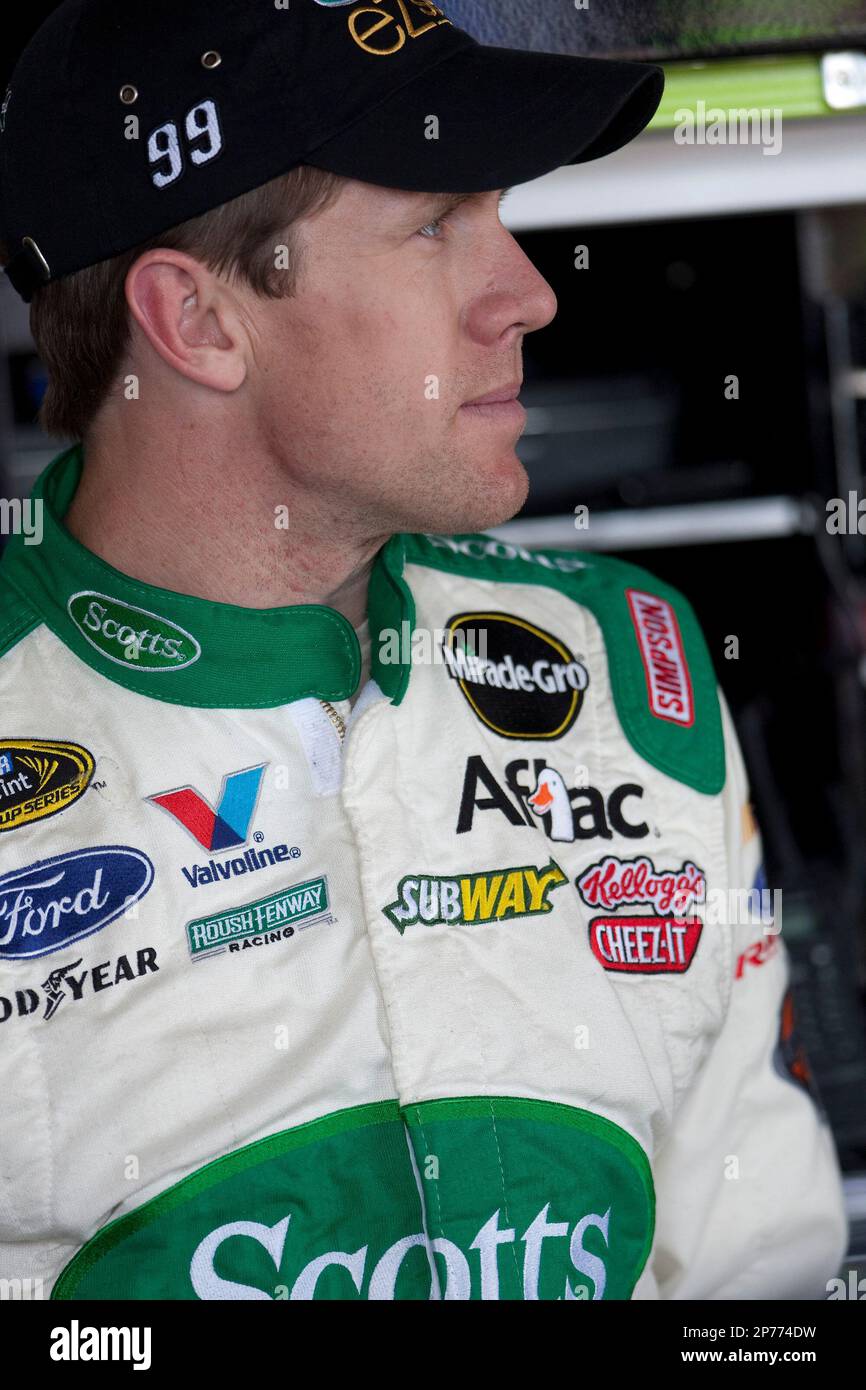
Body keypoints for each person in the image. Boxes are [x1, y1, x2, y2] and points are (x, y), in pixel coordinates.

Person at [0, 0, 847, 1302]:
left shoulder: (627, 665)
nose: (528, 292)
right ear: (201, 322)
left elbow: (754, 1273)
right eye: (435, 225)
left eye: (496, 211)